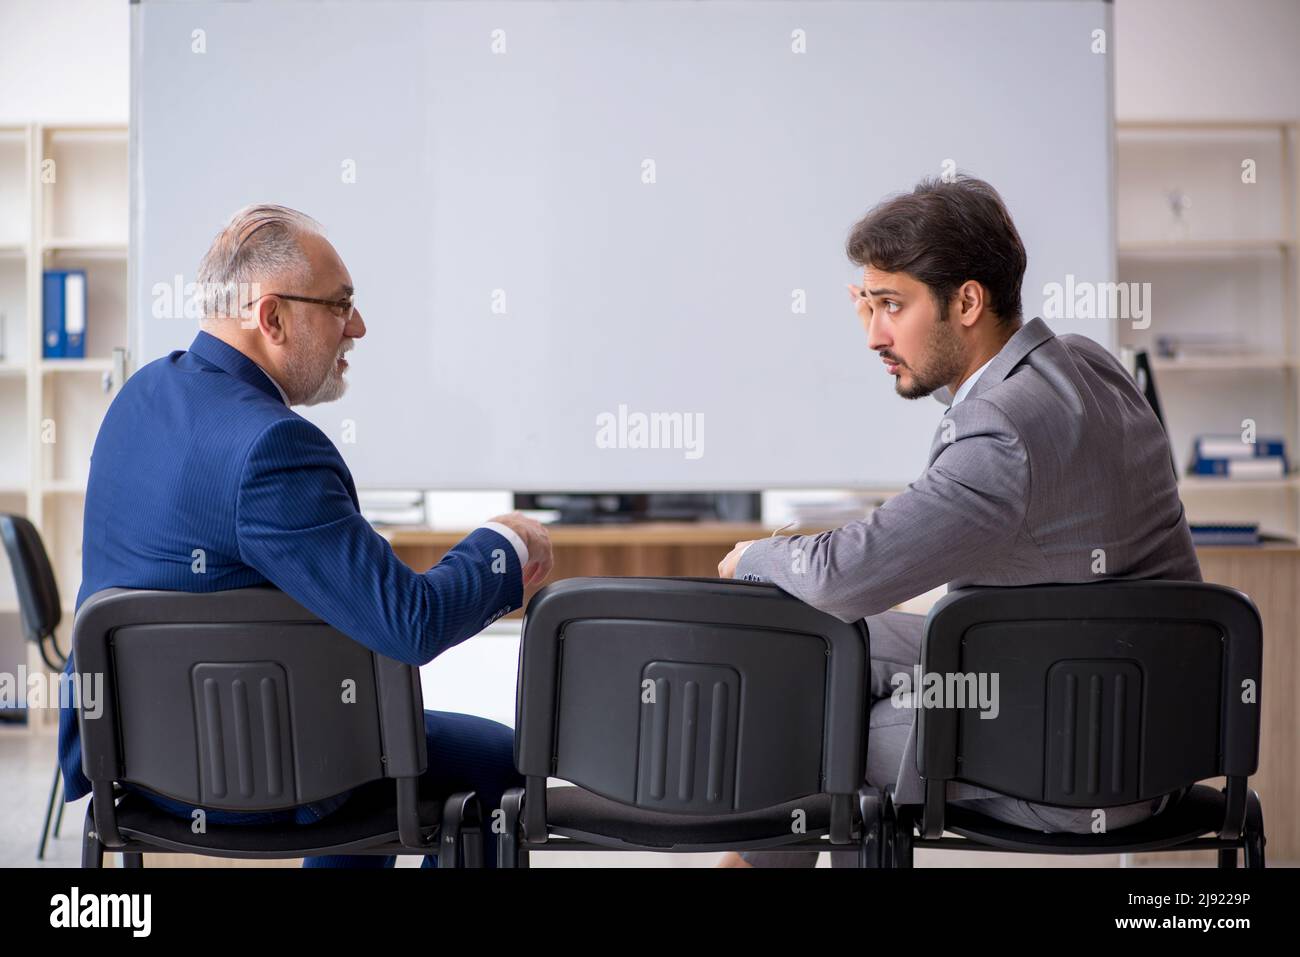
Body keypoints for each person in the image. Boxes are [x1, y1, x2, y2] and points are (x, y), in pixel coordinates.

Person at [715, 175, 1200, 867]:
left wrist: (756, 555)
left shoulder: (999, 427)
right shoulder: (1090, 365)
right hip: (1160, 723)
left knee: (814, 718)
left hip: (1082, 758)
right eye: (869, 303)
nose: (874, 334)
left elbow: (843, 575)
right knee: (811, 642)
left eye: (893, 305)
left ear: (967, 301)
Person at [57, 204, 554, 867]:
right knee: (498, 765)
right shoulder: (274, 448)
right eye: (341, 305)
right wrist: (503, 544)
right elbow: (409, 623)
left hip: (132, 761)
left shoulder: (137, 398)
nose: (359, 326)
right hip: (258, 776)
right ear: (272, 318)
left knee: (363, 731)